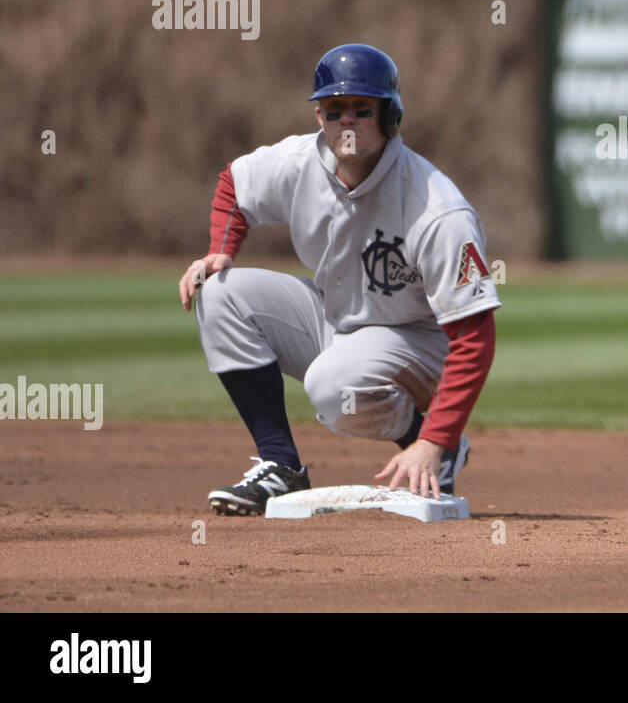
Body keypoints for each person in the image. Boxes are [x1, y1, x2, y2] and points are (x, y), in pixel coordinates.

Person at [178, 44, 500, 515]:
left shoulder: (435, 207)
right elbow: (235, 184)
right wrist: (220, 250)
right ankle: (280, 465)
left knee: (332, 389)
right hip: (336, 317)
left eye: (361, 110)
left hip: (418, 341)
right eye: (334, 110)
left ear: (390, 117)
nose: (346, 122)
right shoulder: (299, 163)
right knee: (220, 292)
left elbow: (475, 333)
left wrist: (435, 438)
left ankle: (434, 447)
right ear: (318, 117)